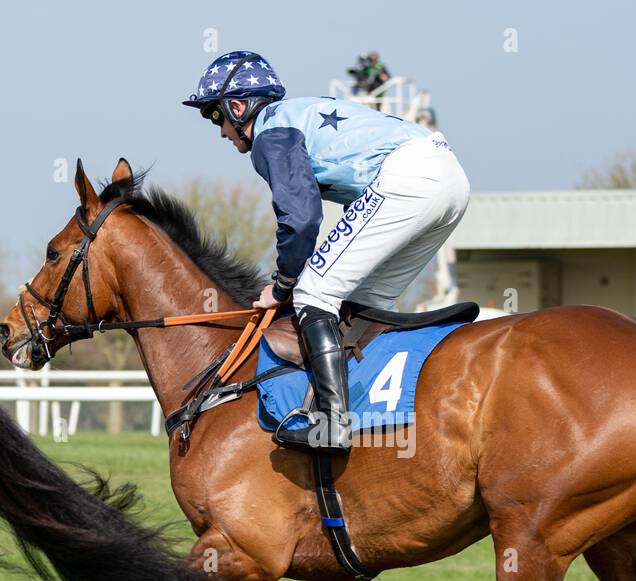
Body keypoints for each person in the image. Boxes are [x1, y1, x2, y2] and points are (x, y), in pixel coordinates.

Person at [182, 51, 469, 452]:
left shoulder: (271, 132)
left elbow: (300, 219)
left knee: (313, 292)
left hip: (411, 178)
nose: (221, 132)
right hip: (451, 180)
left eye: (215, 116)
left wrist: (282, 285)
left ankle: (332, 425)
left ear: (237, 105)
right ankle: (373, 413)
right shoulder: (299, 115)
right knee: (365, 301)